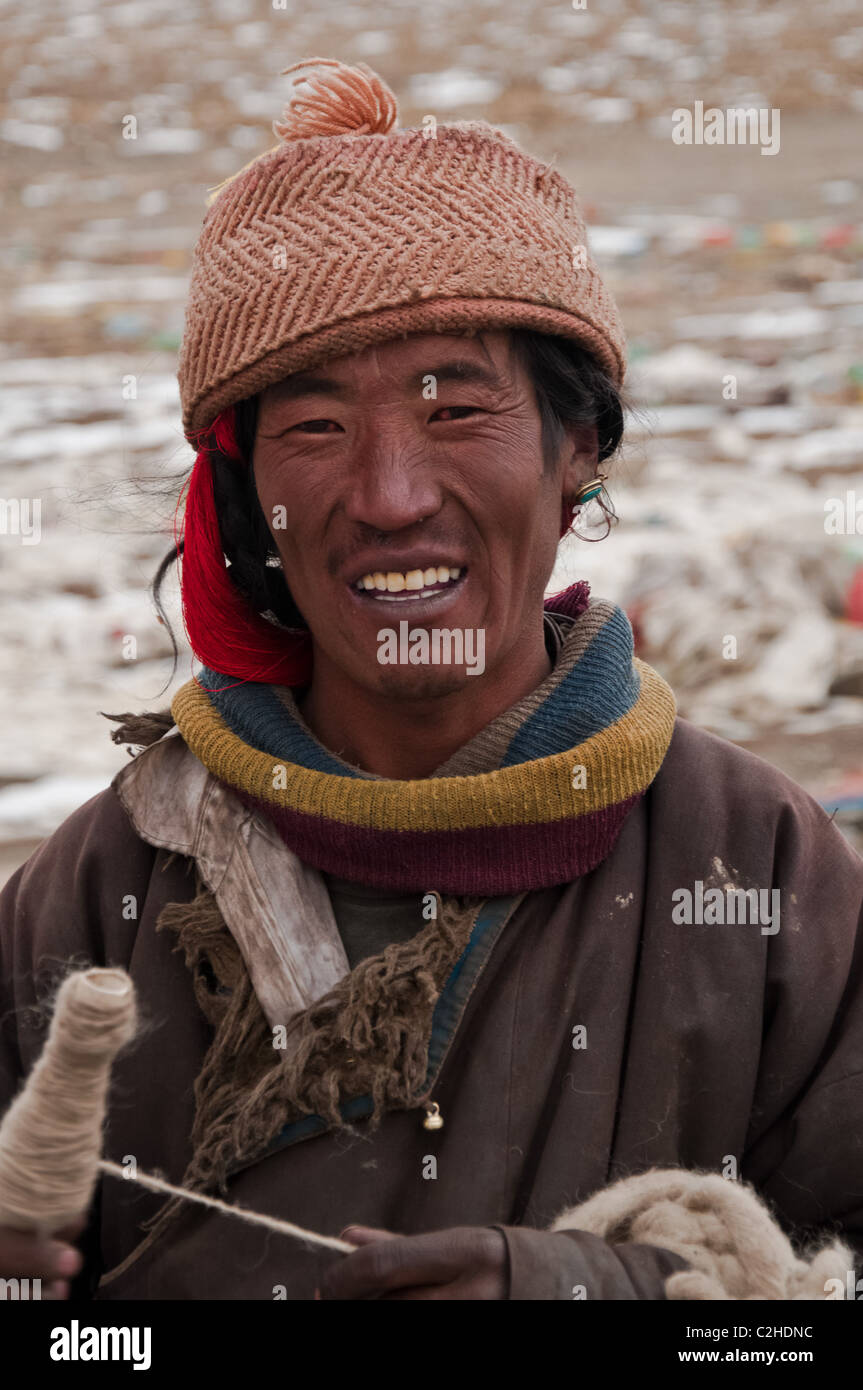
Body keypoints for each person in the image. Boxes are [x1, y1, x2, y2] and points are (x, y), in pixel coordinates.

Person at [0, 58, 861, 1302]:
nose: (391, 496)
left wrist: (592, 1290)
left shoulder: (759, 874)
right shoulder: (105, 887)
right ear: (250, 503)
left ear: (577, 453)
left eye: (455, 410)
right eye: (314, 429)